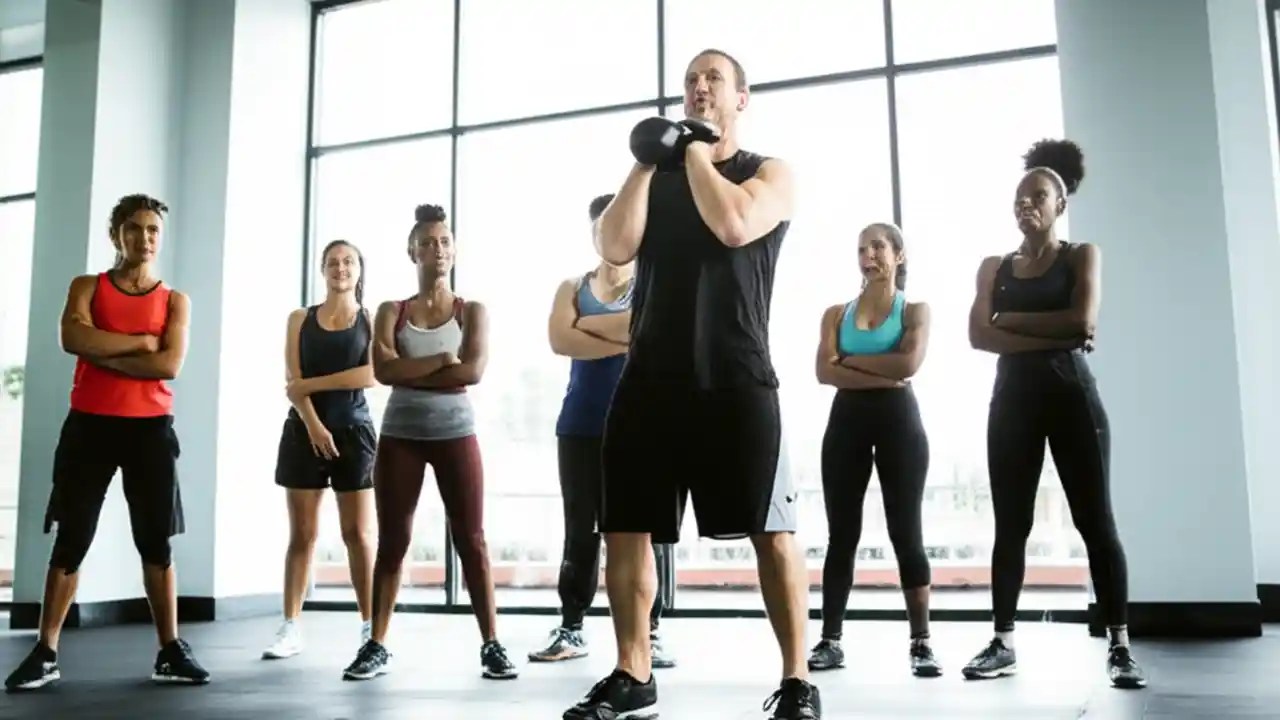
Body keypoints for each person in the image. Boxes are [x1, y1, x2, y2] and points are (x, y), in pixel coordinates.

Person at [563, 49, 821, 720]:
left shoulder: (770, 173)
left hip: (737, 377)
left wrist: (696, 154)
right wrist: (649, 160)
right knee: (625, 527)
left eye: (713, 79)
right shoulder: (657, 178)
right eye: (690, 81)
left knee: (773, 532)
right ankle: (633, 672)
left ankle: (797, 679)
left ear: (742, 97)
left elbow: (735, 225)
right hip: (649, 379)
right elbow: (614, 245)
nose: (699, 87)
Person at [4, 194, 209, 692]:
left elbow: (169, 366)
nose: (145, 238)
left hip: (150, 432)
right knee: (72, 536)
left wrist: (105, 350)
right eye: (134, 228)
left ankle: (169, 650)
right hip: (89, 425)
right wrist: (139, 343)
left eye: (153, 230)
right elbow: (72, 340)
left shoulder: (174, 301)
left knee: (155, 541)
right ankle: (46, 651)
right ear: (116, 233)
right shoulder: (87, 286)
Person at [962, 139, 1146, 689]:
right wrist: (1054, 327)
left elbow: (1083, 322)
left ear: (1059, 204)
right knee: (1010, 527)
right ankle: (1003, 642)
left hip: (1073, 402)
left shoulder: (1081, 255)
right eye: (1019, 197)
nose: (1026, 205)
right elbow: (977, 334)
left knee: (1096, 523)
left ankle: (1119, 644)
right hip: (1012, 405)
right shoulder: (993, 266)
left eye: (1038, 196)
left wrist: (1009, 324)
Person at [341, 204, 517, 682]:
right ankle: (375, 645)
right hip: (401, 437)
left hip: (456, 434)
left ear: (453, 250)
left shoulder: (472, 310)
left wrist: (410, 370)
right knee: (393, 541)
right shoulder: (390, 311)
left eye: (444, 242)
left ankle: (492, 645)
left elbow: (473, 372)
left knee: (472, 540)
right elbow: (383, 372)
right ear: (411, 251)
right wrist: (442, 358)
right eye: (427, 243)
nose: (436, 250)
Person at [530, 193, 676, 669]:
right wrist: (622, 332)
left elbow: (648, 335)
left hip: (643, 424)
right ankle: (571, 626)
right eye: (603, 228)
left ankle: (649, 632)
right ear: (595, 233)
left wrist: (587, 327)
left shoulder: (653, 284)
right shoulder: (571, 286)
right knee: (581, 531)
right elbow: (559, 339)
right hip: (580, 425)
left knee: (642, 532)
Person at [808, 222, 940, 678]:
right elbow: (824, 373)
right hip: (846, 423)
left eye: (878, 246)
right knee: (841, 536)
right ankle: (830, 640)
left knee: (907, 533)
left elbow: (909, 364)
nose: (869, 255)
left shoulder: (915, 311)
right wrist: (881, 373)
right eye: (862, 248)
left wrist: (849, 362)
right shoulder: (835, 313)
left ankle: (921, 641)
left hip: (899, 422)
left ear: (899, 254)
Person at [262, 239, 377, 661]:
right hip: (304, 432)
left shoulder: (370, 318)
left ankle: (371, 629)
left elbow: (371, 374)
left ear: (359, 270)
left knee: (358, 536)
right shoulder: (299, 318)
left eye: (348, 262)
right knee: (303, 536)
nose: (340, 268)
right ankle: (290, 626)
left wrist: (311, 385)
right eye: (333, 262)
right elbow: (292, 381)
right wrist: (313, 424)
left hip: (355, 434)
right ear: (322, 269)